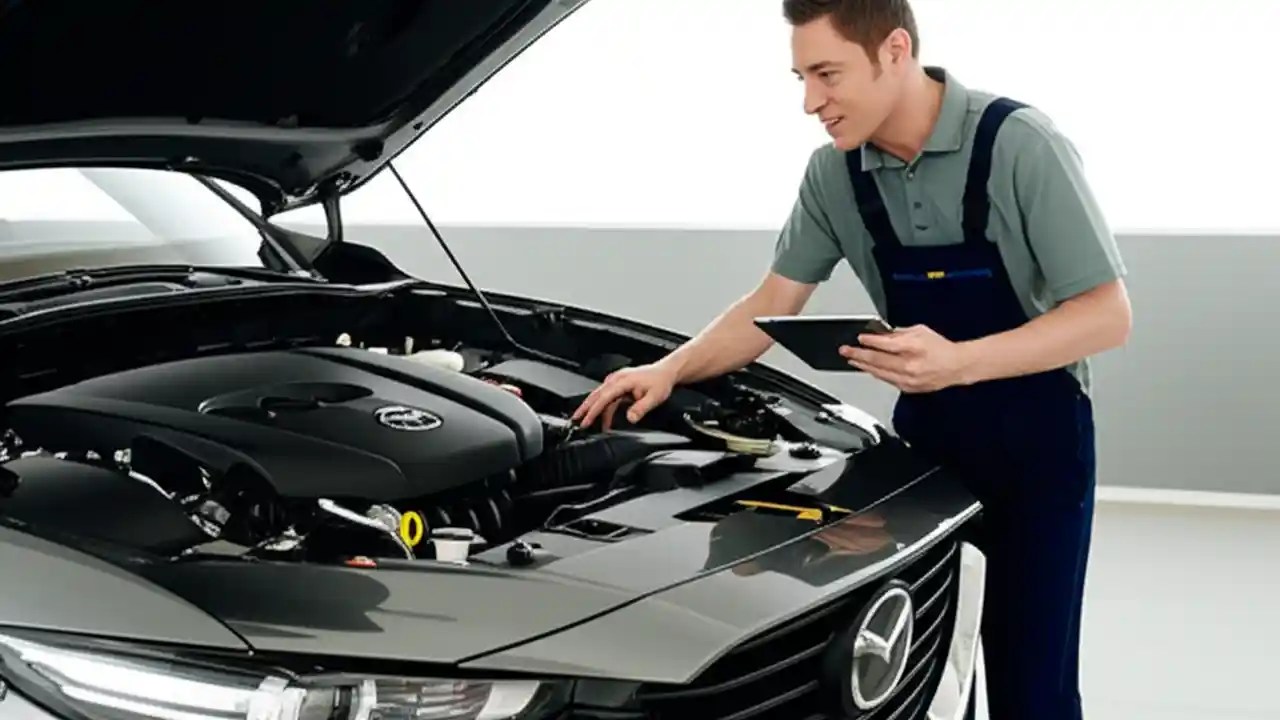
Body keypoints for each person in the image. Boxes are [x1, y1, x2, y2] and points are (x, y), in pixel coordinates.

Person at [572, 1, 1131, 718]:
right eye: (801, 76)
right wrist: (669, 369)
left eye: (827, 74)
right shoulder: (834, 173)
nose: (810, 102)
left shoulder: (1021, 144)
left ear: (894, 50)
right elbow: (772, 300)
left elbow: (1107, 315)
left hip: (1040, 443)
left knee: (1033, 683)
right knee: (924, 664)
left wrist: (958, 363)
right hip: (928, 445)